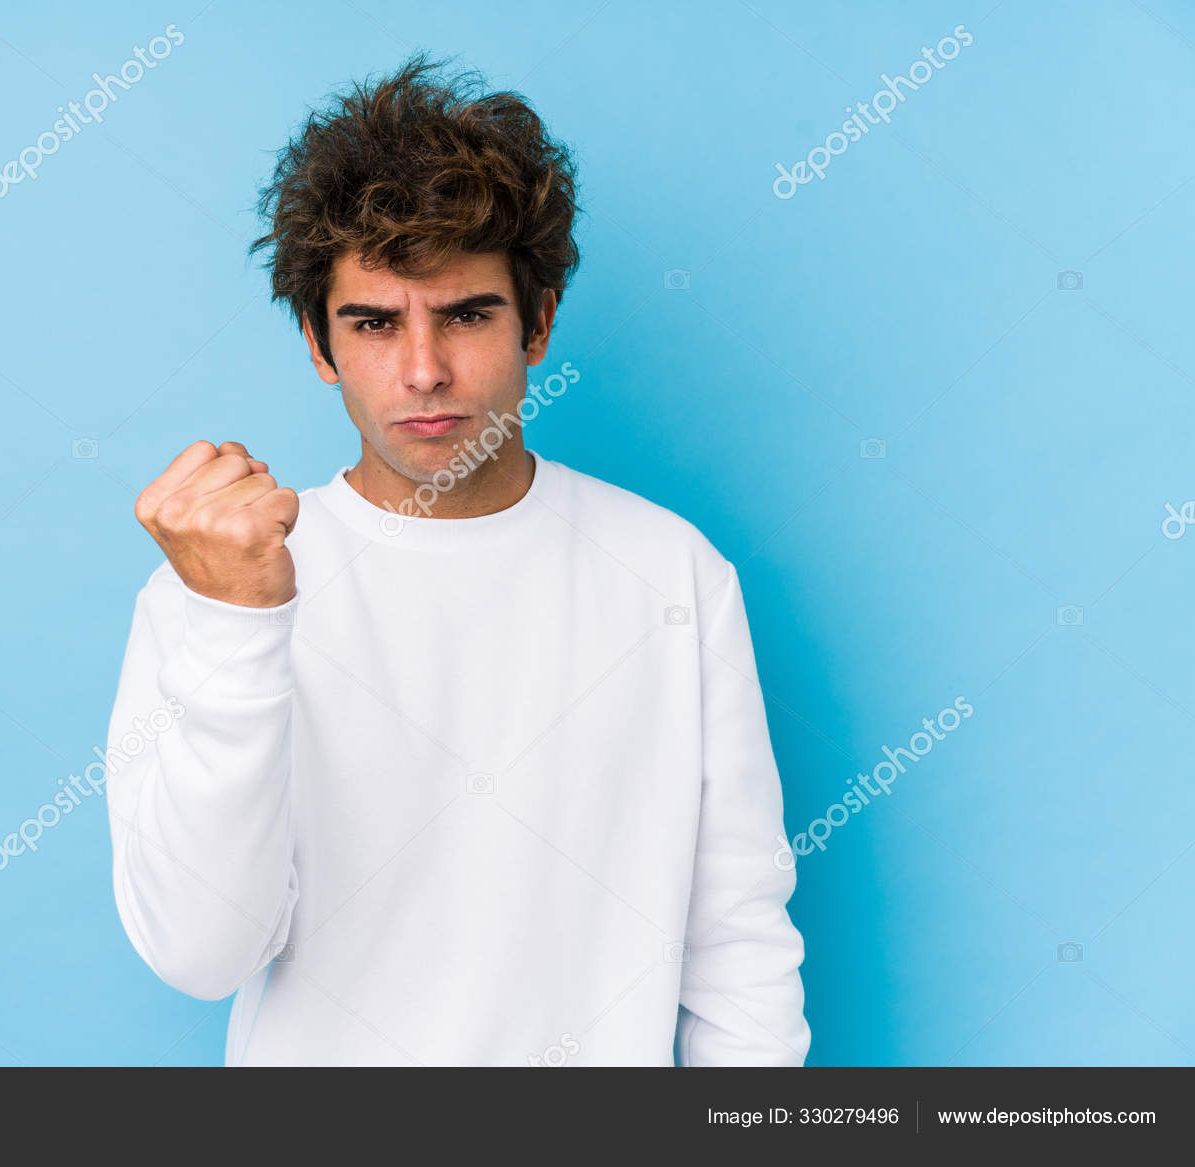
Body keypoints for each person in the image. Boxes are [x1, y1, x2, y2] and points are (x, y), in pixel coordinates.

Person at [103, 54, 811, 1066]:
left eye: (467, 315)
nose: (425, 370)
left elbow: (737, 945)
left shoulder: (671, 574)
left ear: (539, 322)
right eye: (375, 323)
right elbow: (202, 954)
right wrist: (239, 625)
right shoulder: (209, 591)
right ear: (317, 343)